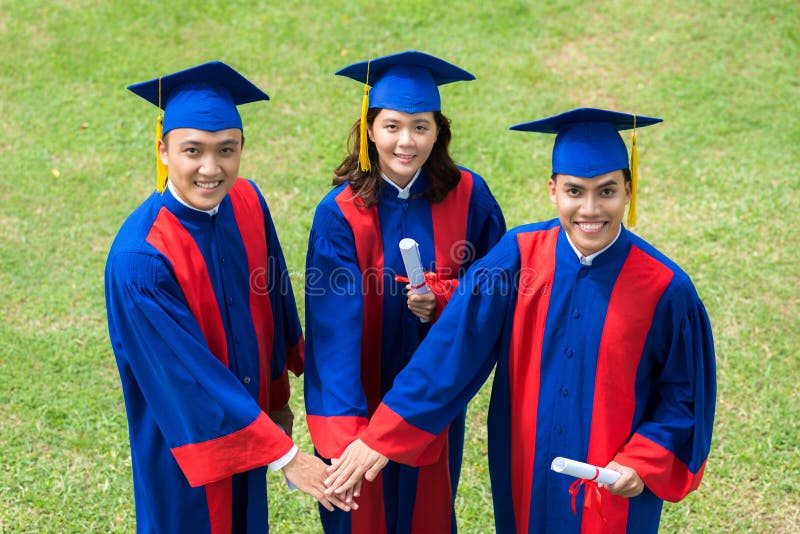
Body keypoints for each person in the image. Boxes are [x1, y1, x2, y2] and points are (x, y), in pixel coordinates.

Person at [324, 108, 717, 533]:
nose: (589, 209)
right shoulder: (519, 256)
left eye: (606, 192)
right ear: (553, 191)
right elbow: (452, 348)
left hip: (611, 485)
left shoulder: (665, 288)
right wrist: (383, 433)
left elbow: (684, 399)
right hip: (526, 469)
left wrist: (643, 462)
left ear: (628, 189)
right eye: (574, 191)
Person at [105, 61, 348, 533]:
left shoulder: (248, 203)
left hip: (251, 426)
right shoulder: (142, 258)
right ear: (163, 149)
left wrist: (277, 400)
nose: (210, 169)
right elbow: (185, 377)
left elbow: (272, 308)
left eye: (226, 150)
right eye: (192, 150)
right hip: (185, 448)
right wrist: (286, 456)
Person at [304, 50, 506, 533]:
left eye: (421, 126)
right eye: (392, 125)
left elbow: (496, 291)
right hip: (360, 398)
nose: (406, 141)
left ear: (439, 131)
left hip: (431, 393)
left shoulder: (470, 195)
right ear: (370, 128)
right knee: (360, 515)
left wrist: (444, 296)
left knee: (427, 516)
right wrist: (345, 438)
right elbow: (331, 333)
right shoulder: (340, 212)